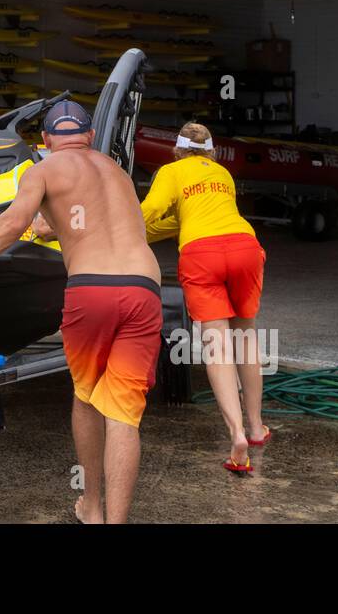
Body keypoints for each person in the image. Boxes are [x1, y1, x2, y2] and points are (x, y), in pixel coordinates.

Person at [0, 101, 162, 524]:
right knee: (124, 414)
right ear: (88, 136)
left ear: (46, 142)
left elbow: (14, 223)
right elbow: (102, 221)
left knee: (87, 400)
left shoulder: (43, 169)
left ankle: (90, 505)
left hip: (92, 289)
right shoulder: (118, 173)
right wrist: (56, 224)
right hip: (143, 288)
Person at [139, 122, 268, 475]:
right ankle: (256, 427)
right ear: (210, 151)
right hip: (244, 246)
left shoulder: (170, 171)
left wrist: (123, 229)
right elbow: (190, 217)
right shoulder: (223, 174)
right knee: (245, 337)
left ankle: (236, 434)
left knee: (217, 344)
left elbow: (152, 212)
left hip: (202, 254)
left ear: (177, 150)